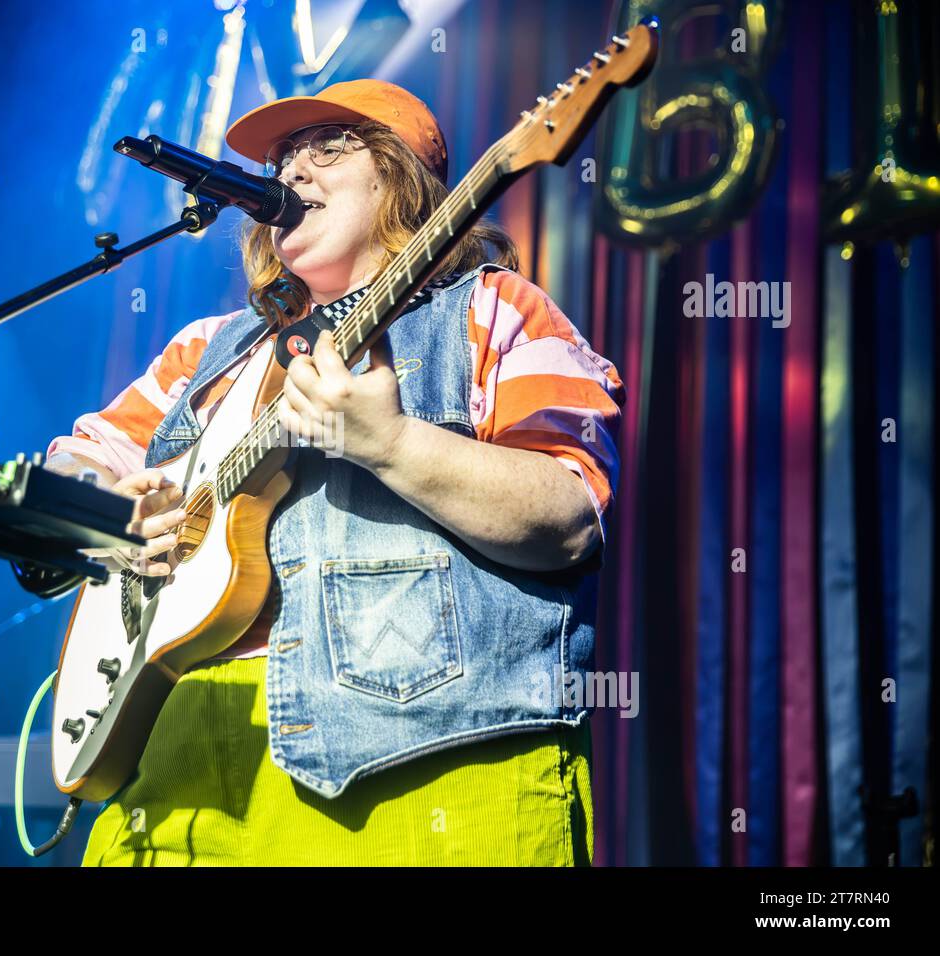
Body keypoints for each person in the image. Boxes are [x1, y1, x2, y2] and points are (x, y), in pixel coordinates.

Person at [45, 79, 624, 866]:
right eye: (284, 158)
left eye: (328, 147)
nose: (291, 173)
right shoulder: (208, 349)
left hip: (427, 762)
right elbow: (77, 460)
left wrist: (390, 443)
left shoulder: (497, 309)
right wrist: (109, 511)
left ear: (402, 177)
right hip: (177, 767)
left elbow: (567, 517)